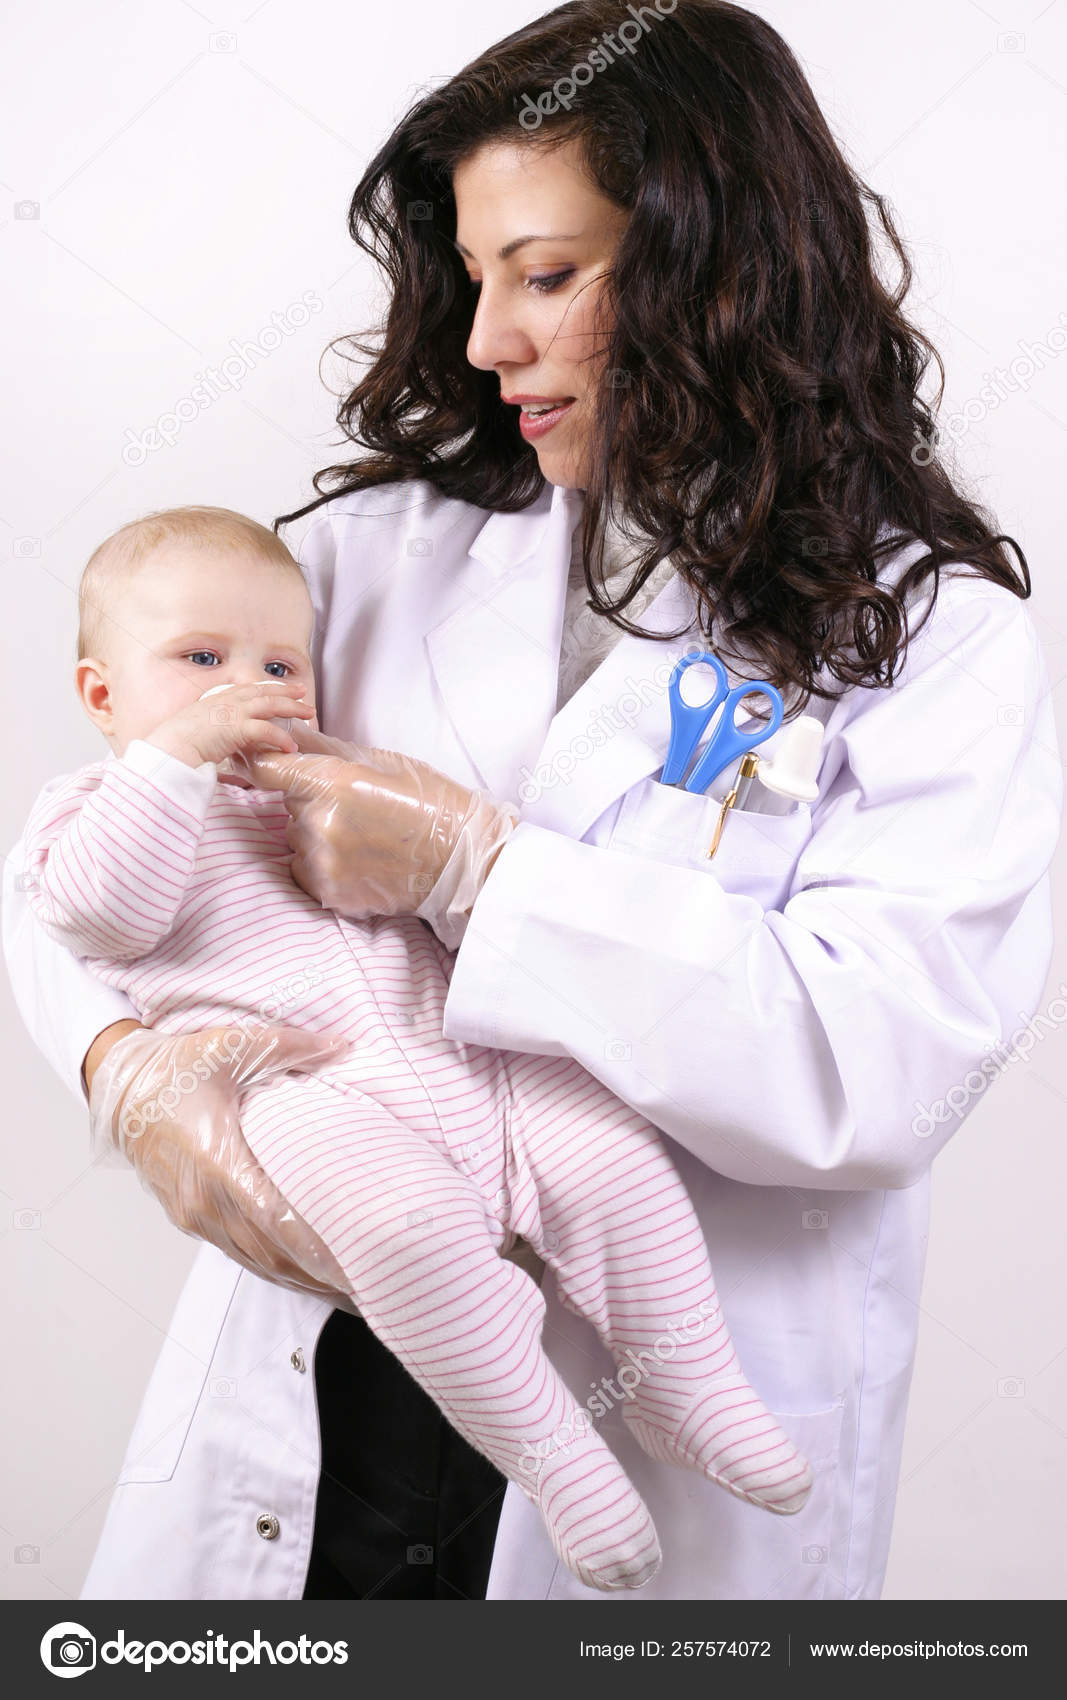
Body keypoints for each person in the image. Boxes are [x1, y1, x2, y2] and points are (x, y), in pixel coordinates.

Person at [3, 0, 1060, 1601]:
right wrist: (121, 1066)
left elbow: (885, 1067)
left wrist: (486, 878)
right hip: (331, 1388)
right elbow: (95, 839)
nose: (489, 338)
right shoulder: (370, 559)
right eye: (478, 276)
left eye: (547, 275)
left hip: (652, 1426)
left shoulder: (932, 640)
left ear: (722, 266)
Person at [19, 503, 815, 1594]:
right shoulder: (95, 806)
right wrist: (172, 771)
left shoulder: (312, 772)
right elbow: (93, 916)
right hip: (300, 1082)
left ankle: (692, 1386)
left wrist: (462, 852)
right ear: (101, 697)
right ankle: (557, 1454)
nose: (246, 685)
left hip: (461, 1037)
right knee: (404, 1235)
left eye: (277, 662)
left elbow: (876, 1022)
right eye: (200, 659)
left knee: (605, 1157)